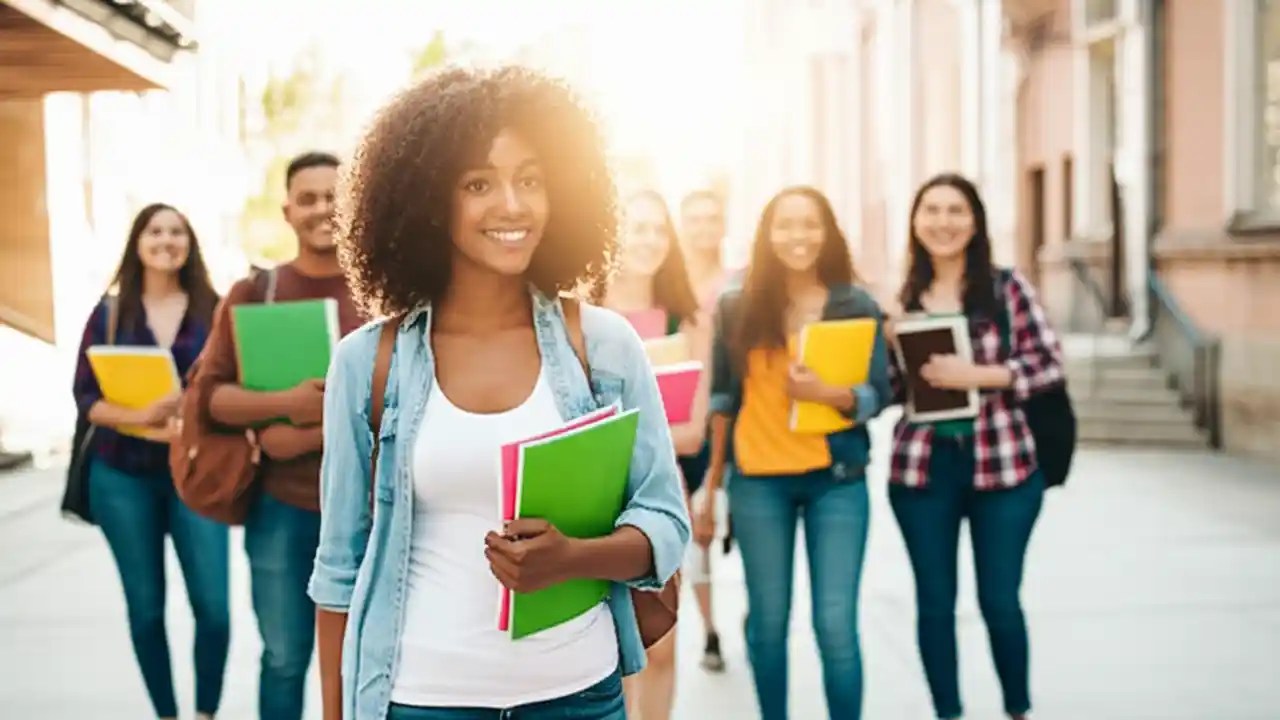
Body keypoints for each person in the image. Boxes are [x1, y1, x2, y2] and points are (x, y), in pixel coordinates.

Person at [309, 65, 691, 720]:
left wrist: (577, 557)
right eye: (479, 183)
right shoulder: (367, 362)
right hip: (421, 699)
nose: (512, 204)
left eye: (532, 180)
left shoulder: (603, 346)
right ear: (429, 198)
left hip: (578, 695)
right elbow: (339, 571)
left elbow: (665, 521)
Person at [694, 186, 891, 720]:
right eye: (785, 225)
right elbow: (723, 403)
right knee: (767, 625)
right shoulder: (736, 306)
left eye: (809, 224)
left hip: (838, 478)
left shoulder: (856, 303)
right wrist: (709, 493)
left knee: (835, 626)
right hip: (759, 483)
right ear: (766, 234)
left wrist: (834, 396)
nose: (798, 236)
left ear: (827, 232)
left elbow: (882, 389)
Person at [886, 173, 1065, 720]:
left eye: (955, 210)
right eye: (931, 210)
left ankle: (1017, 709)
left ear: (975, 221)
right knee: (935, 605)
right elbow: (890, 391)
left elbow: (1049, 364)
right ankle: (948, 712)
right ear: (915, 222)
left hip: (1005, 467)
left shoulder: (1006, 288)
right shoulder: (899, 299)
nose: (943, 222)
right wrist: (891, 344)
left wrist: (978, 374)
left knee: (999, 601)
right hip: (923, 470)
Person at [196, 151, 364, 720]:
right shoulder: (255, 292)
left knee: (366, 664)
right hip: (281, 513)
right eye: (309, 198)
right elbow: (212, 397)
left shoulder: (386, 293)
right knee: (286, 658)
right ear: (287, 211)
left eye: (333, 196)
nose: (322, 208)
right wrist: (285, 405)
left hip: (374, 513)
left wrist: (308, 435)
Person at [71, 203, 226, 720]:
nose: (166, 240)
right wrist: (141, 413)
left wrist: (195, 410)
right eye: (155, 231)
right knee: (145, 610)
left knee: (214, 610)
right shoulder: (110, 312)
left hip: (195, 473)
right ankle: (167, 714)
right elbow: (85, 397)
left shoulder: (215, 309)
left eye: (177, 231)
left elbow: (234, 383)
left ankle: (204, 713)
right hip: (122, 476)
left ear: (190, 243)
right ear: (138, 242)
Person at [602, 189, 706, 720]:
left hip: (660, 496)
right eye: (636, 228)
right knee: (609, 651)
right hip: (595, 498)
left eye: (658, 230)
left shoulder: (685, 320)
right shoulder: (585, 315)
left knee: (659, 642)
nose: (649, 240)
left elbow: (691, 435)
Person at [676, 189, 733, 672]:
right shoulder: (669, 285)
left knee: (718, 524)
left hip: (730, 422)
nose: (703, 226)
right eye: (693, 218)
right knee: (694, 534)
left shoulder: (738, 281)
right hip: (680, 424)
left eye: (712, 217)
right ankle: (710, 630)